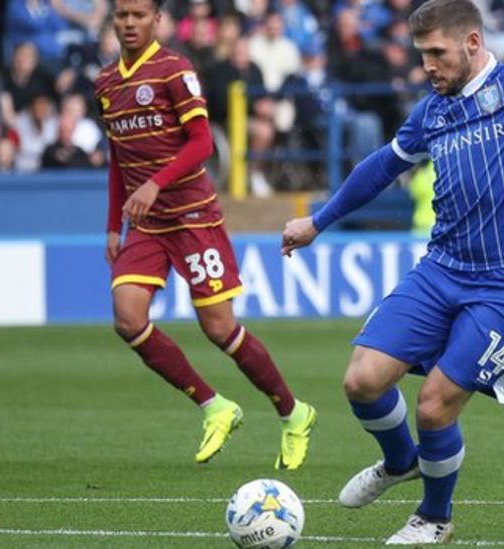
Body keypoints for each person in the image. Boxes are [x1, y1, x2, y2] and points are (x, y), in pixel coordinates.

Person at [281, 0, 504, 542]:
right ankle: (401, 461)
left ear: (472, 43)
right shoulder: (433, 110)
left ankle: (434, 516)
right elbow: (382, 165)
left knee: (433, 406)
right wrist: (319, 221)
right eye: (421, 53)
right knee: (361, 381)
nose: (427, 65)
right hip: (442, 267)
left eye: (436, 52)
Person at [95, 0, 316, 470]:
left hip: (194, 218)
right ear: (114, 20)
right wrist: (114, 224)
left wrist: (155, 183)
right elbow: (118, 158)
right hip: (149, 225)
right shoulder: (106, 83)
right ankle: (215, 406)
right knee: (127, 318)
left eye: (139, 15)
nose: (129, 24)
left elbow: (202, 142)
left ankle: (294, 413)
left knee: (218, 328)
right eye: (122, 15)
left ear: (157, 19)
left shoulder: (175, 69)